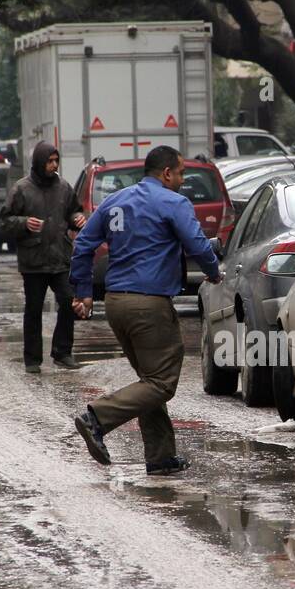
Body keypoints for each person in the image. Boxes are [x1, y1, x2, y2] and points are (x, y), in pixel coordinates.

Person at [68, 145, 221, 476]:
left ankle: (161, 456)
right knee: (162, 383)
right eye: (180, 173)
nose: (182, 180)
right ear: (166, 173)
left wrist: (84, 292)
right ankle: (98, 417)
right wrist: (213, 271)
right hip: (149, 303)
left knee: (149, 379)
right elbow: (198, 245)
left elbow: (82, 244)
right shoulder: (172, 202)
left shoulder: (114, 201)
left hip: (115, 302)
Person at [0, 141, 87, 373]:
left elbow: (74, 211)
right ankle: (32, 360)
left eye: (56, 161)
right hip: (33, 260)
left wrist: (78, 218)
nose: (54, 165)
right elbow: (4, 221)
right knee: (34, 310)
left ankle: (62, 352)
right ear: (39, 162)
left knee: (69, 303)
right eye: (49, 161)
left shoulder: (64, 187)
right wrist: (24, 222)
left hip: (60, 258)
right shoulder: (21, 189)